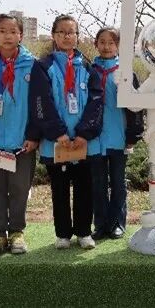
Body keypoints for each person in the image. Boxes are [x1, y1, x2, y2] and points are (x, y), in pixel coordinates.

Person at [0, 14, 60, 258]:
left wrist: (34, 135)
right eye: (2, 31)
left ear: (21, 35)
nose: (8, 36)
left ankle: (16, 232)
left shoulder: (32, 65)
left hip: (23, 143)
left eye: (13, 31)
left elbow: (39, 103)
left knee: (20, 189)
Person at [39, 14, 103, 250]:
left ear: (77, 36)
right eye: (62, 32)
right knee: (59, 189)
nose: (67, 37)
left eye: (71, 32)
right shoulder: (43, 66)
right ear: (54, 36)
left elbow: (96, 101)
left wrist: (84, 133)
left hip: (84, 142)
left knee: (85, 187)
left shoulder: (88, 67)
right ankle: (63, 233)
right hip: (56, 142)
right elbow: (41, 101)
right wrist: (59, 133)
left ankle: (84, 231)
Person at [91, 27, 144, 240]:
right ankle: (100, 224)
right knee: (98, 183)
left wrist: (132, 136)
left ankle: (117, 223)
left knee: (118, 182)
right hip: (94, 139)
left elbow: (137, 108)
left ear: (118, 46)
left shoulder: (126, 73)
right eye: (102, 42)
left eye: (111, 43)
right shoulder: (89, 71)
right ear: (96, 44)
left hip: (119, 137)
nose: (106, 47)